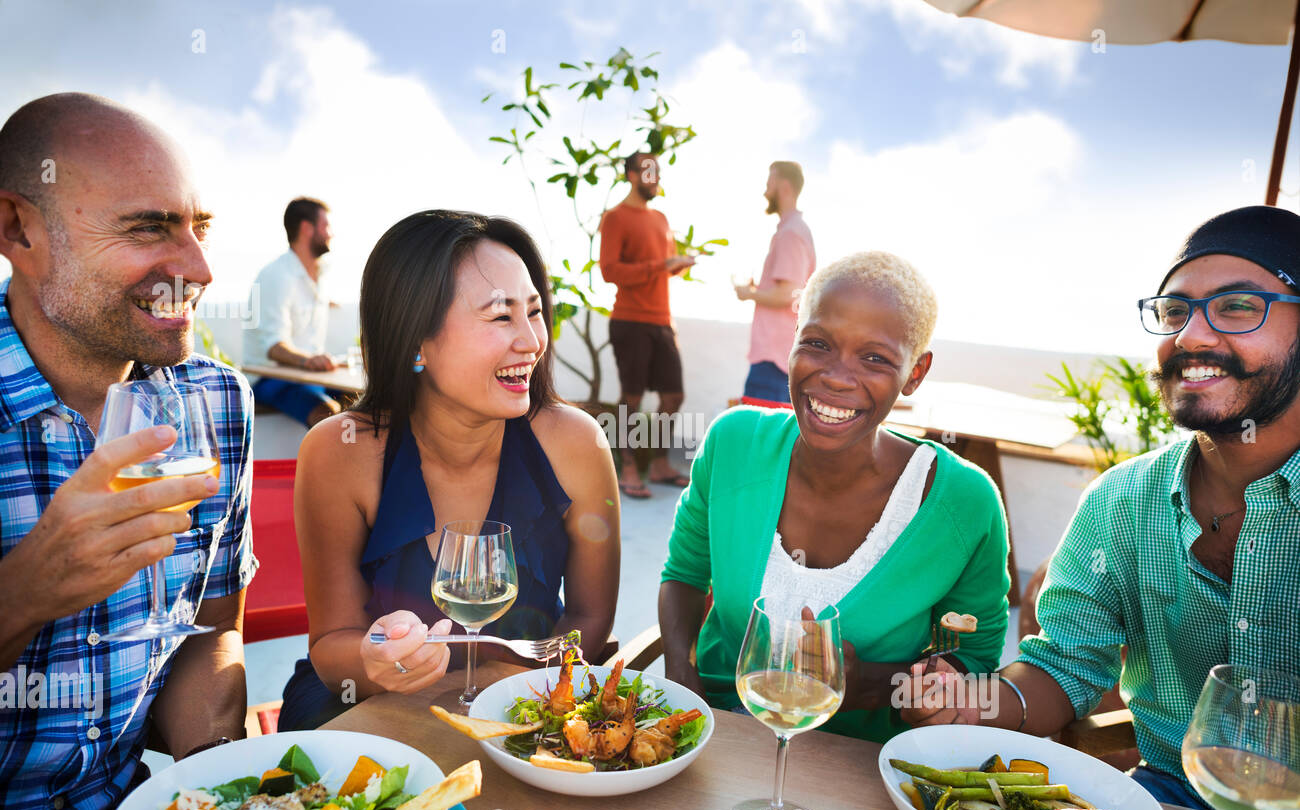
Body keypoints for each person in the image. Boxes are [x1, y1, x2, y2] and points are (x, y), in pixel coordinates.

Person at [899, 206, 1300, 810]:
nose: (1192, 336)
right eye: (1175, 312)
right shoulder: (1121, 501)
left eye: (1236, 307)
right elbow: (1064, 665)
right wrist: (970, 705)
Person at [0, 93, 254, 810]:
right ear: (18, 230)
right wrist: (29, 590)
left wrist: (224, 788)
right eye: (148, 227)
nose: (199, 269)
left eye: (198, 228)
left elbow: (210, 633)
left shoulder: (216, 402)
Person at [277, 210, 620, 731]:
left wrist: (504, 696)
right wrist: (376, 661)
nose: (532, 341)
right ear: (416, 338)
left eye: (533, 312)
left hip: (519, 709)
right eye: (501, 317)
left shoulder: (574, 442)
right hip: (367, 711)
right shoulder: (339, 450)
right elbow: (332, 644)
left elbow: (590, 620)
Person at [660, 251, 1010, 742]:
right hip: (716, 735)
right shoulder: (733, 443)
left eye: (874, 358)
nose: (836, 376)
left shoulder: (963, 502)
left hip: (861, 765)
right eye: (818, 343)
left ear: (916, 372)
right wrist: (683, 681)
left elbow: (973, 664)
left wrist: (864, 682)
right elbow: (684, 577)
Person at [598, 152, 695, 499]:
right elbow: (610, 271)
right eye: (647, 172)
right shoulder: (615, 218)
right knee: (632, 398)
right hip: (630, 320)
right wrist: (661, 264)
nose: (654, 179)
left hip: (662, 320)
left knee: (674, 396)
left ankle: (657, 464)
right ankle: (627, 469)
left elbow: (659, 266)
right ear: (630, 175)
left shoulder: (662, 218)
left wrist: (678, 264)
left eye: (658, 173)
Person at [244, 197, 346, 427]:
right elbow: (274, 348)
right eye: (326, 226)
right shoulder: (276, 276)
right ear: (307, 228)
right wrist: (312, 360)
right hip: (271, 378)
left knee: (366, 401)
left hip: (306, 376)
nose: (331, 233)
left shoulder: (319, 275)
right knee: (328, 414)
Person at [734, 161, 816, 404]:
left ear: (784, 186)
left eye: (769, 184)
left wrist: (748, 294)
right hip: (778, 357)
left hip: (774, 359)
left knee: (756, 436)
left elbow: (787, 294)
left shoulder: (791, 233)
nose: (765, 191)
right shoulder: (792, 230)